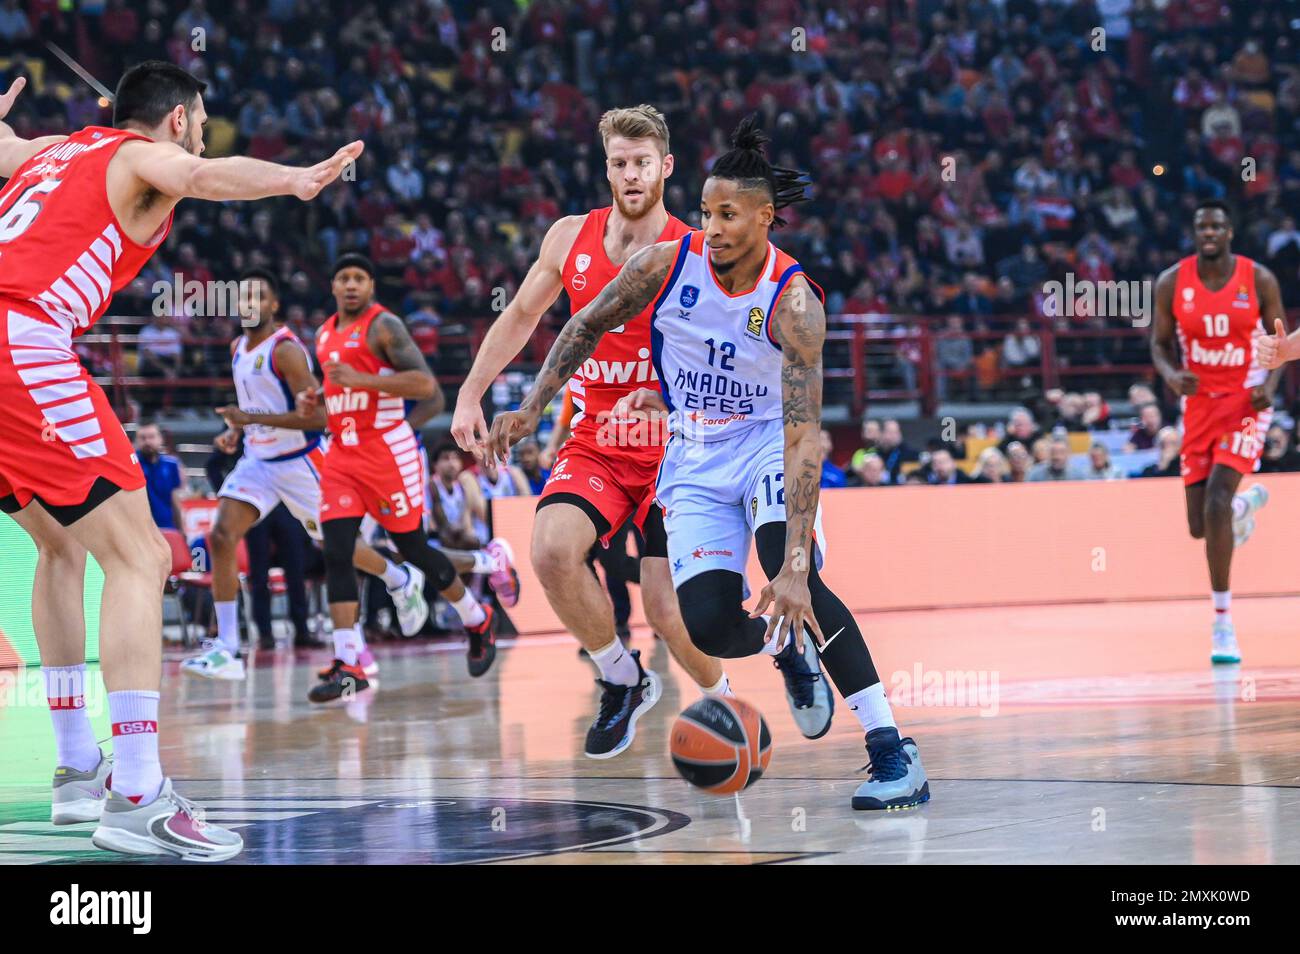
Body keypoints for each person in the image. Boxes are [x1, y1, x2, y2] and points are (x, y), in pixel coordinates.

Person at [487, 116, 929, 811]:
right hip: (692, 455)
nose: (713, 227)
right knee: (708, 626)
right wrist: (532, 406)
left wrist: (790, 567)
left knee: (802, 582)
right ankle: (783, 649)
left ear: (765, 218)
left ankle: (891, 750)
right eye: (705, 212)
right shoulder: (666, 265)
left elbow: (804, 434)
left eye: (729, 214)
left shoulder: (794, 304)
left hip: (765, 448)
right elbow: (582, 324)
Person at [0, 63, 361, 860]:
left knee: (59, 549)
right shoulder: (136, 154)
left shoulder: (53, 153)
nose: (200, 132)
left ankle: (74, 767)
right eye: (199, 118)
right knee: (141, 557)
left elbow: (7, 147)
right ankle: (136, 793)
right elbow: (200, 174)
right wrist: (296, 180)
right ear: (174, 118)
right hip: (20, 339)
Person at [451, 106, 753, 760]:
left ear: (666, 167)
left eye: (643, 162)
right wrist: (472, 392)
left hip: (681, 449)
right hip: (598, 440)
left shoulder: (699, 251)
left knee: (672, 617)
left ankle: (728, 705)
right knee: (551, 552)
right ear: (607, 166)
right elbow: (523, 316)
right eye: (619, 162)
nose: (631, 173)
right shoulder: (568, 238)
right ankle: (621, 677)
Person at [178, 268, 431, 680]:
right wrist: (235, 430)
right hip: (259, 461)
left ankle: (399, 578)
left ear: (273, 305)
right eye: (242, 297)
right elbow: (253, 406)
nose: (248, 304)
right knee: (222, 535)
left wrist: (251, 417)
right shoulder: (236, 347)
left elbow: (321, 419)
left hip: (304, 463)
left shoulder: (286, 352)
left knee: (337, 548)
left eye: (258, 297)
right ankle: (227, 648)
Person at [304, 255, 511, 699]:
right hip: (342, 453)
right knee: (336, 550)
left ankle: (477, 618)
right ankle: (348, 663)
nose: (351, 285)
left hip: (386, 452)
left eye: (360, 277)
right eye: (343, 278)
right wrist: (316, 405)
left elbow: (425, 387)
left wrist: (362, 381)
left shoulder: (385, 327)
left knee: (412, 547)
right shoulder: (323, 335)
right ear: (334, 288)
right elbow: (339, 394)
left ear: (372, 285)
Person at [1151, 199, 1284, 664]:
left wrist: (1269, 385)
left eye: (1216, 226)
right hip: (1198, 406)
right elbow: (1160, 343)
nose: (1208, 232)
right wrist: (1170, 375)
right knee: (1198, 526)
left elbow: (1279, 342)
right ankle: (1243, 508)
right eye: (1201, 226)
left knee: (1215, 501)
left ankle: (1223, 624)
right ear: (1195, 233)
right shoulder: (1172, 282)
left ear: (1229, 232)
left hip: (1245, 402)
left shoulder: (1258, 278)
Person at [133, 422, 184, 530]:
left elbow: (175, 499)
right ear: (136, 441)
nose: (147, 441)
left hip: (167, 527)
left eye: (151, 437)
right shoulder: (131, 465)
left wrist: (182, 529)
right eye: (142, 438)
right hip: (140, 530)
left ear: (160, 439)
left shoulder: (172, 464)